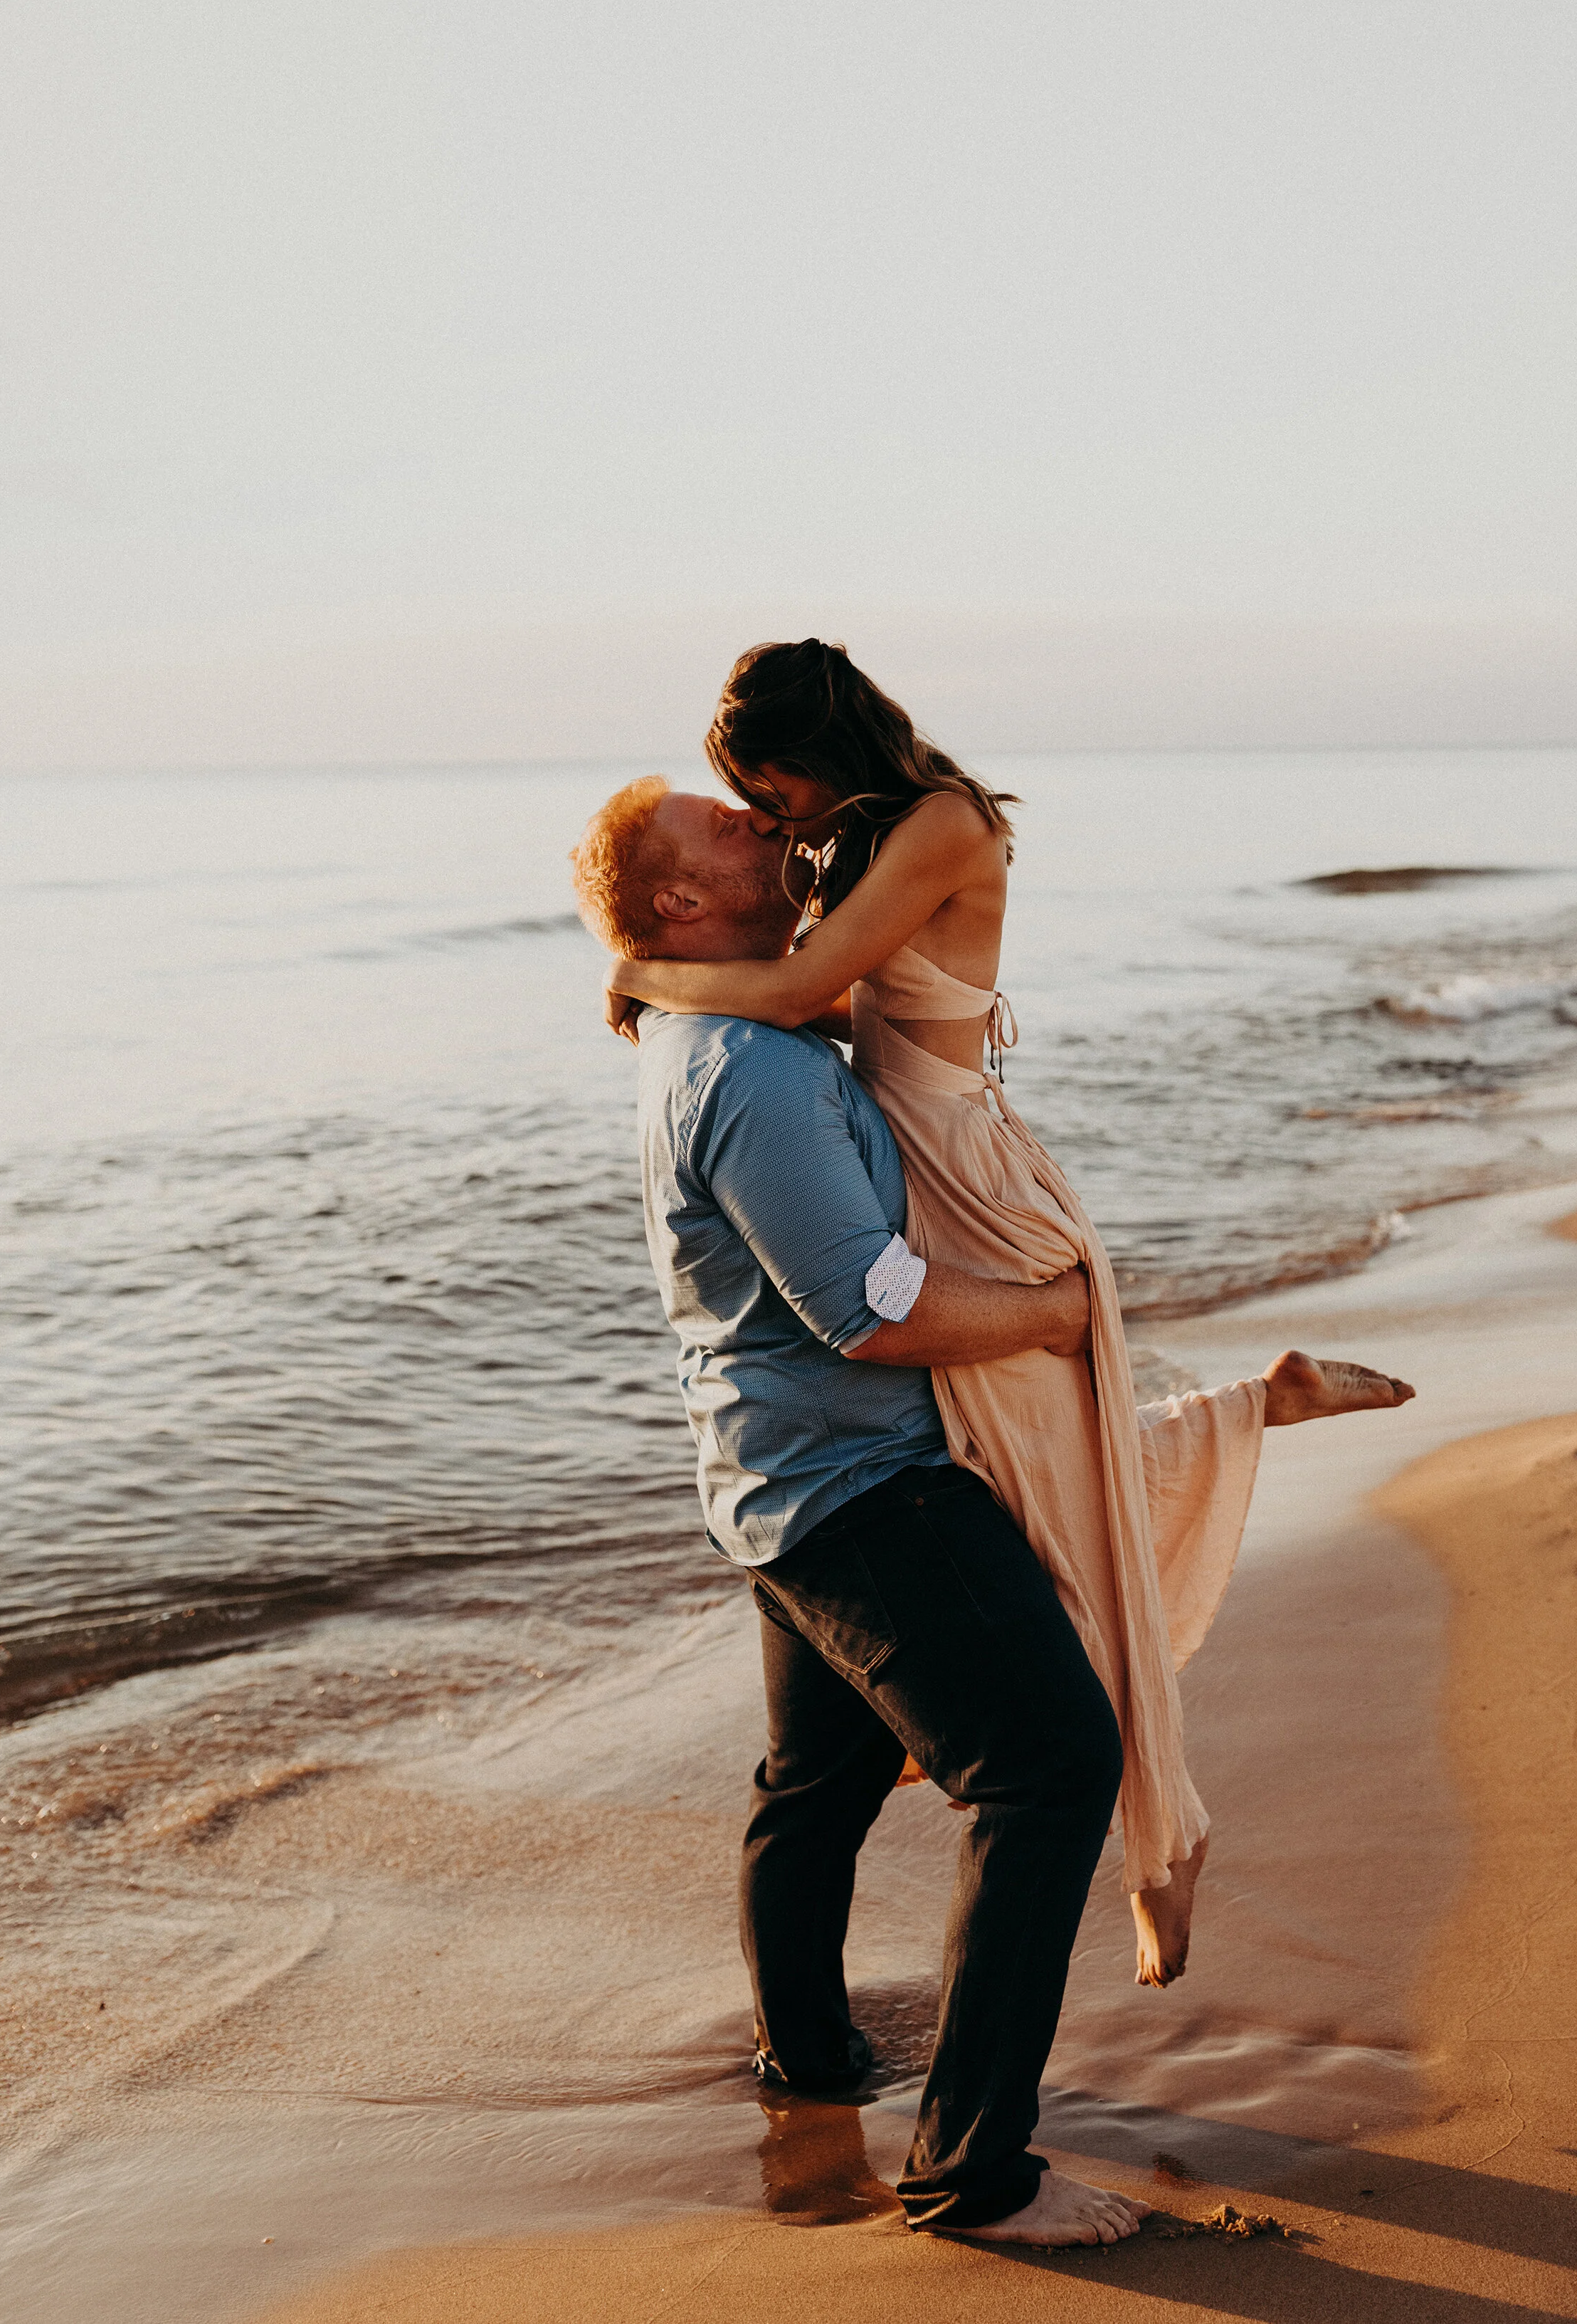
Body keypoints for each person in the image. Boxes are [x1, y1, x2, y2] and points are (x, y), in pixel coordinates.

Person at [570, 772, 1414, 2249]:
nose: (762, 829)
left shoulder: (740, 1030)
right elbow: (868, 1308)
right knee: (1044, 1767)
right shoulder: (746, 1073)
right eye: (725, 828)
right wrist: (1047, 1312)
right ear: (678, 902)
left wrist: (640, 975)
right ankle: (973, 2174)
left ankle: (811, 2062)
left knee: (810, 1792)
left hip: (776, 1482)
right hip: (859, 1489)